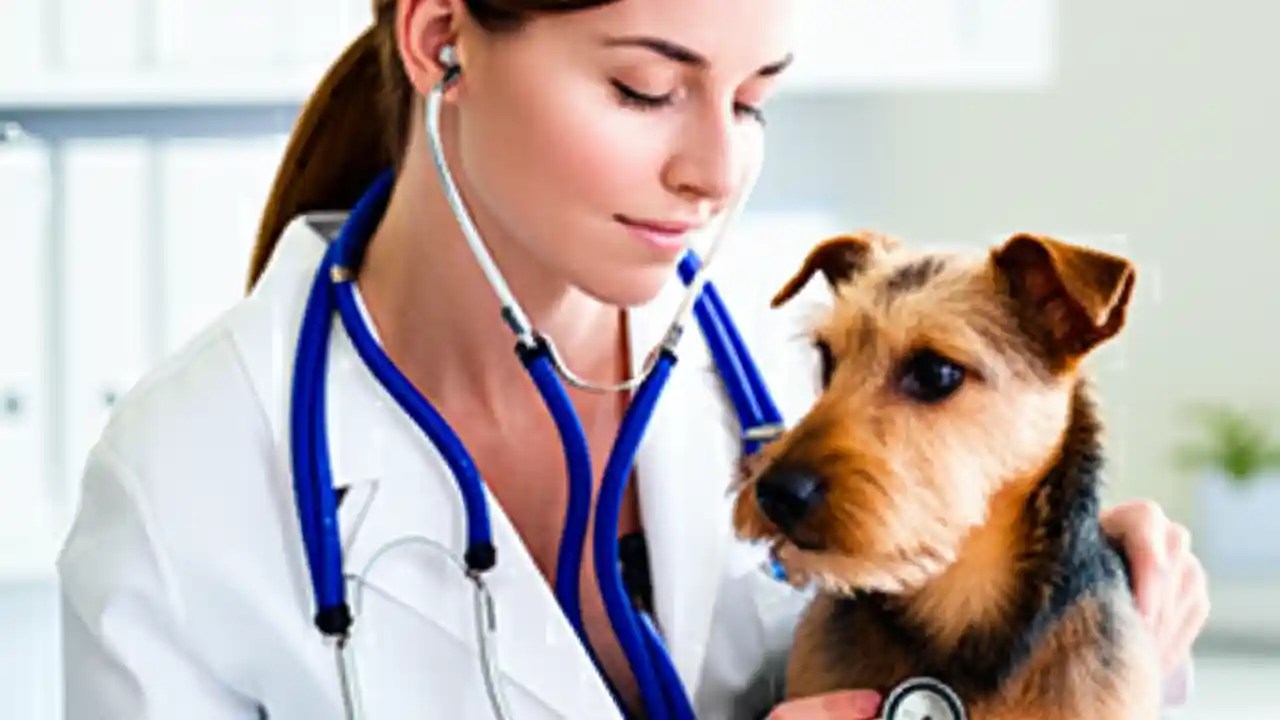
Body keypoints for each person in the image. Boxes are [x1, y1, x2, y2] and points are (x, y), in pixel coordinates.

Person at [56, 0, 1210, 718]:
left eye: (752, 100)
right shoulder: (186, 476)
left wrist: (1108, 599)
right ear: (441, 40)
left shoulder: (765, 366)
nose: (714, 170)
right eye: (645, 88)